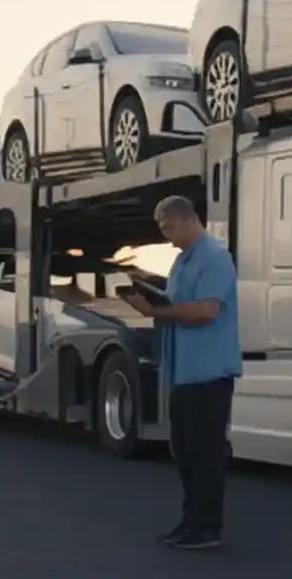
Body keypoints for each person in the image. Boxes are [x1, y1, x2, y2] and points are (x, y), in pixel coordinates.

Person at [126, 195, 240, 551]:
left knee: (205, 454)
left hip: (208, 372)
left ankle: (208, 527)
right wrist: (152, 301)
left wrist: (158, 312)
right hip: (183, 373)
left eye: (169, 227)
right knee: (185, 451)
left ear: (190, 220)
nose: (167, 235)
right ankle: (191, 522)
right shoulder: (180, 262)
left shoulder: (215, 258)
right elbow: (177, 304)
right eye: (162, 229)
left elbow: (205, 311)